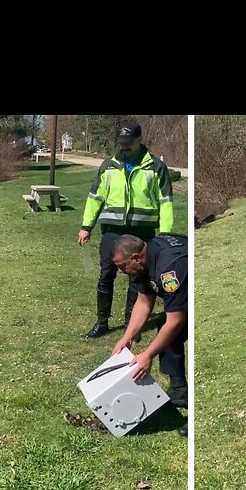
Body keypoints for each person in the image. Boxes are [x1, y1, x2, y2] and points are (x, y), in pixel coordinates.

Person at [79, 121, 174, 340]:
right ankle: (101, 322)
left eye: (129, 143)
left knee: (137, 277)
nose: (124, 147)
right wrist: (86, 226)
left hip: (143, 230)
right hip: (112, 230)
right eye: (121, 143)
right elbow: (95, 199)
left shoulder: (156, 167)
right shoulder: (108, 166)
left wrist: (166, 236)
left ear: (140, 139)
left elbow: (166, 202)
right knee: (106, 274)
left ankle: (132, 324)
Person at [109, 233, 188, 437]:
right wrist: (126, 338)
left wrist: (147, 355)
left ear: (135, 258)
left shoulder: (170, 268)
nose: (120, 271)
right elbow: (144, 302)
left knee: (173, 328)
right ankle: (179, 390)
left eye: (121, 265)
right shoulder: (145, 261)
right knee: (165, 327)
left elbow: (177, 320)